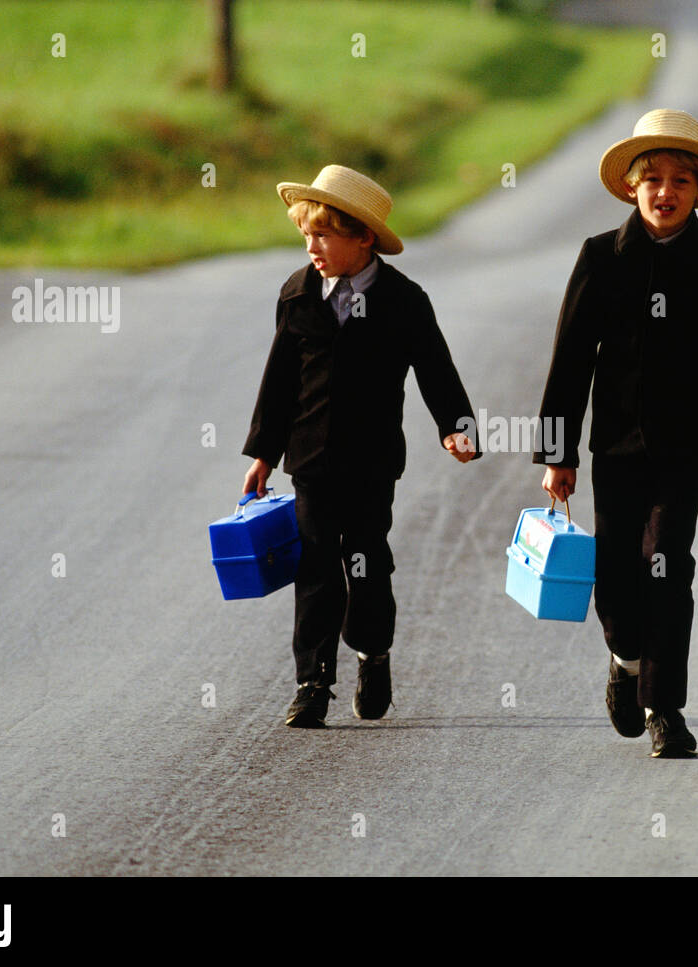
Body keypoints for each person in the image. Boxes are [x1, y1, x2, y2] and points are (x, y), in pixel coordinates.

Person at [533, 109, 698, 758]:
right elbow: (570, 362)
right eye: (653, 179)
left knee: (666, 566)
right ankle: (625, 660)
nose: (665, 192)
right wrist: (557, 453)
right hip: (613, 449)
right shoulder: (599, 259)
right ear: (631, 189)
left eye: (680, 181)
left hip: (685, 450)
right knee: (615, 576)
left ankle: (665, 707)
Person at [242, 164, 480, 728]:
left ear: (363, 237)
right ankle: (313, 683)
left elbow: (436, 369)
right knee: (317, 564)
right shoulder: (298, 294)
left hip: (372, 463)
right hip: (311, 460)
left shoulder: (404, 301)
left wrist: (456, 425)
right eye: (306, 234)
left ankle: (372, 653)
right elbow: (278, 382)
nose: (312, 246)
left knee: (367, 561)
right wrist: (264, 454)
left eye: (324, 235)